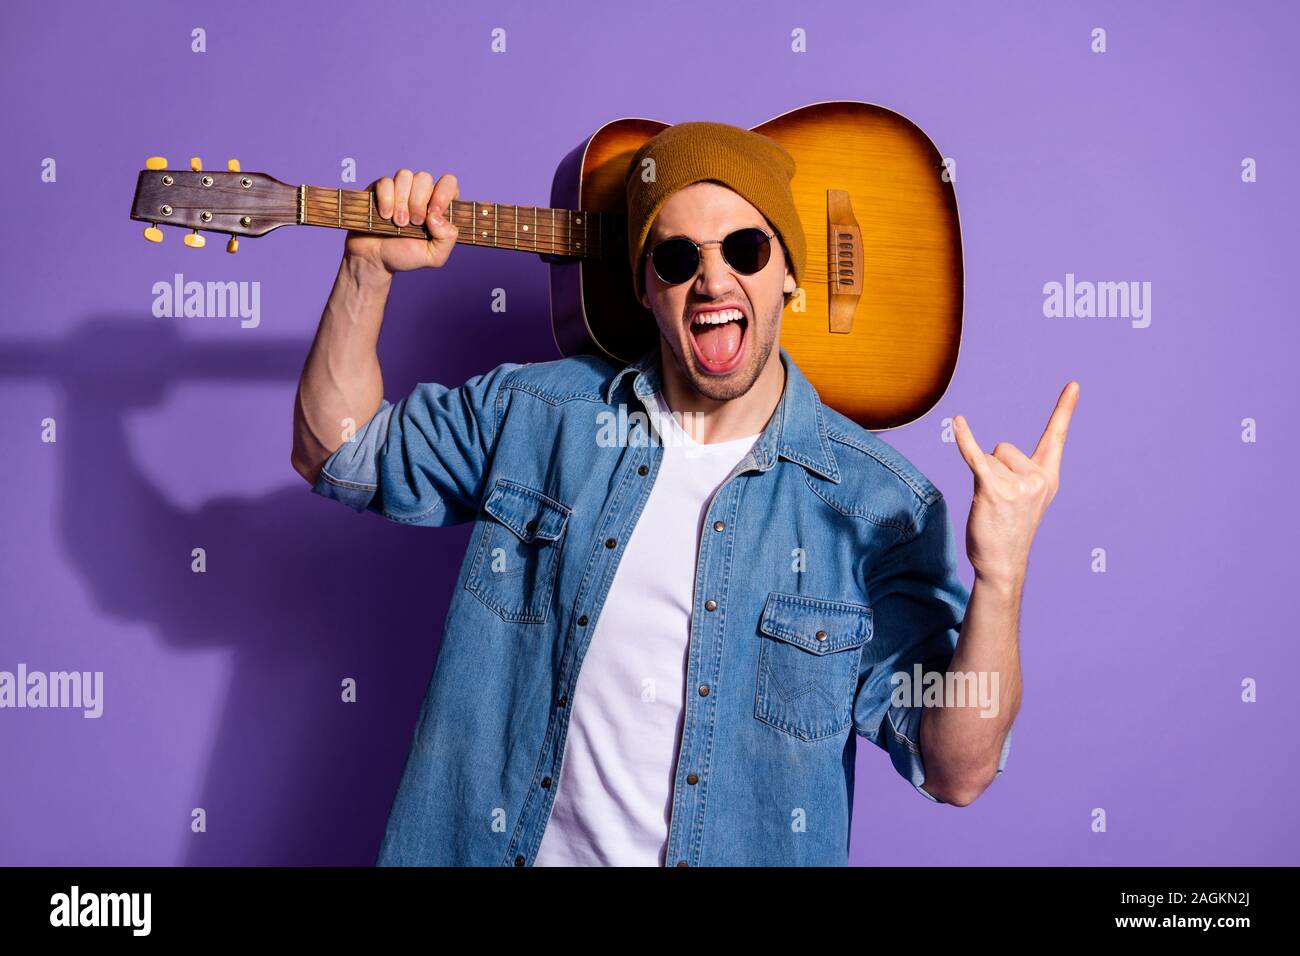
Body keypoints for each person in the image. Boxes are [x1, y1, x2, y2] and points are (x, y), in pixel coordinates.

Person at [291, 121, 1078, 866]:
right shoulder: (538, 416)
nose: (712, 277)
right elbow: (337, 451)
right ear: (645, 286)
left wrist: (1002, 581)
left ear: (790, 275)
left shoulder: (877, 507)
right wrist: (366, 272)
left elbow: (956, 769)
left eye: (744, 247)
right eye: (676, 257)